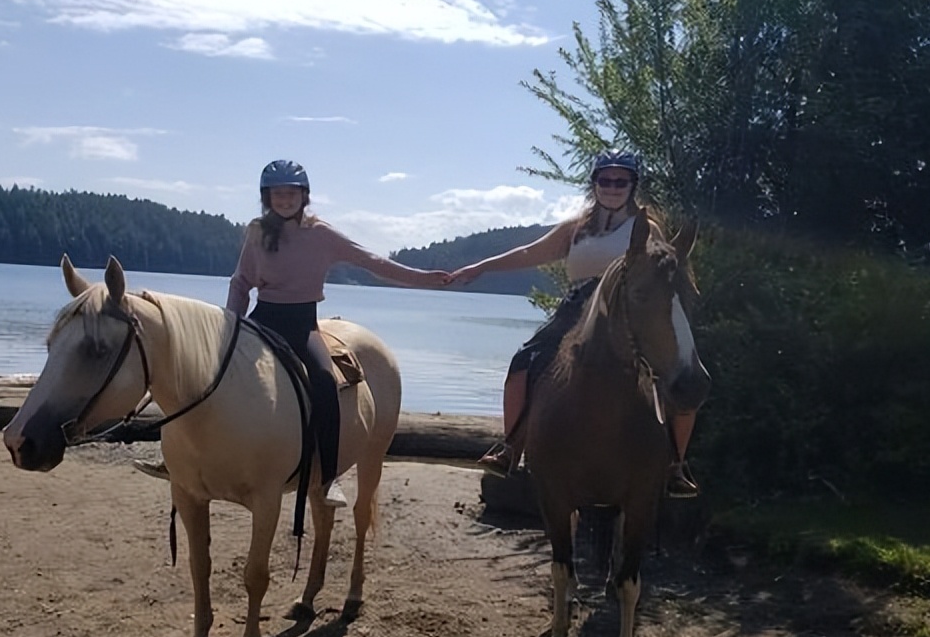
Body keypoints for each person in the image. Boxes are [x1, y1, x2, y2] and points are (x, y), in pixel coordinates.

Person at [135, 159, 450, 508]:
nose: (284, 200)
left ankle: (327, 477)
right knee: (204, 376)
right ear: (266, 198)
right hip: (260, 321)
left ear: (304, 196)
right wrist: (229, 328)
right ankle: (178, 462)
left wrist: (423, 278)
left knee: (324, 382)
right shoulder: (257, 232)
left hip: (302, 326)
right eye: (277, 194)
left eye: (291, 193)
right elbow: (241, 283)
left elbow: (371, 261)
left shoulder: (321, 235)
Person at [447, 149, 701, 499]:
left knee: (670, 373)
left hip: (626, 312)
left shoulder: (646, 229)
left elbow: (661, 275)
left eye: (621, 181)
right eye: (605, 180)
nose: (612, 187)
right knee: (524, 362)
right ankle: (511, 447)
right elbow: (528, 253)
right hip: (576, 308)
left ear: (632, 185)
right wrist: (480, 267)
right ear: (595, 184)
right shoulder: (577, 228)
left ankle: (675, 464)